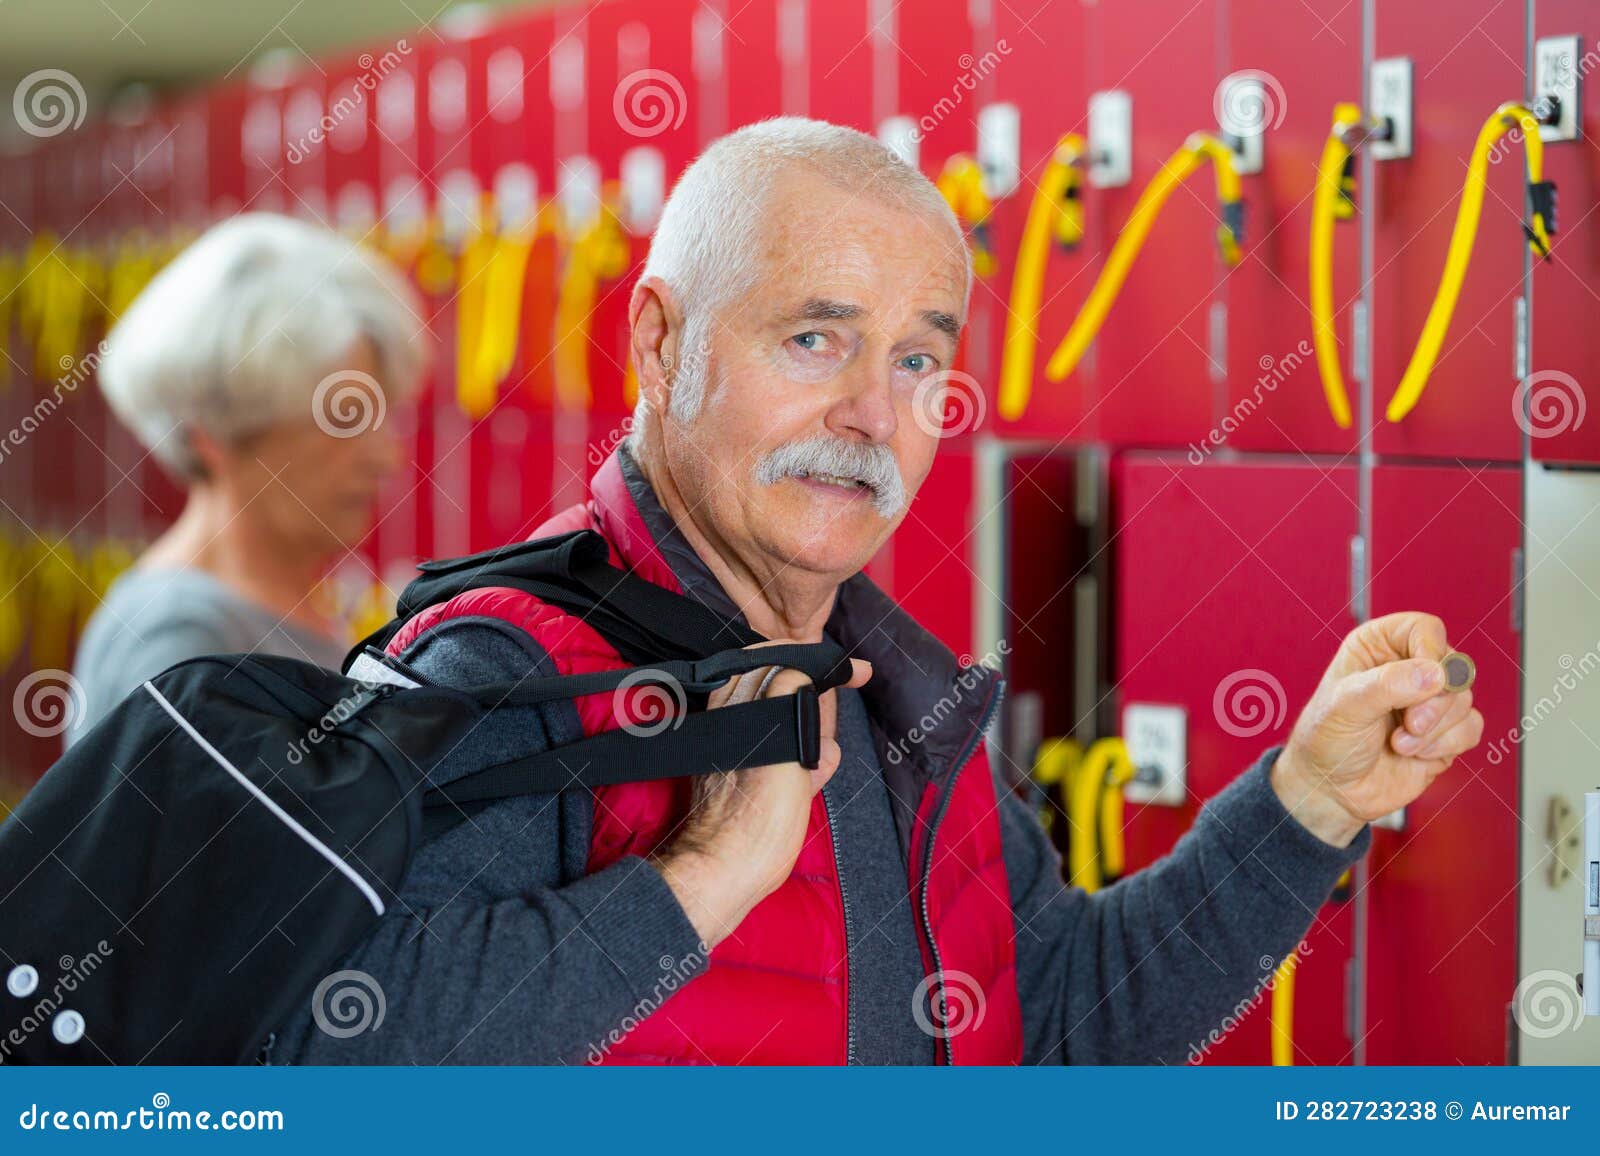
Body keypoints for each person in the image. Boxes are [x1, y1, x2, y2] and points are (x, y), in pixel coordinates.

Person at [274, 118, 1482, 1065]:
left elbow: (1057, 1028)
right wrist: (699, 880)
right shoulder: (503, 675)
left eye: (916, 360)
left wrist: (1304, 804)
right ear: (658, 342)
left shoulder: (900, 697)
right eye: (815, 338)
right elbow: (328, 1055)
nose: (870, 413)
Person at [66, 214, 425, 745]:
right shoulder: (179, 644)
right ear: (213, 433)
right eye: (342, 420)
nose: (385, 458)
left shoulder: (270, 608)